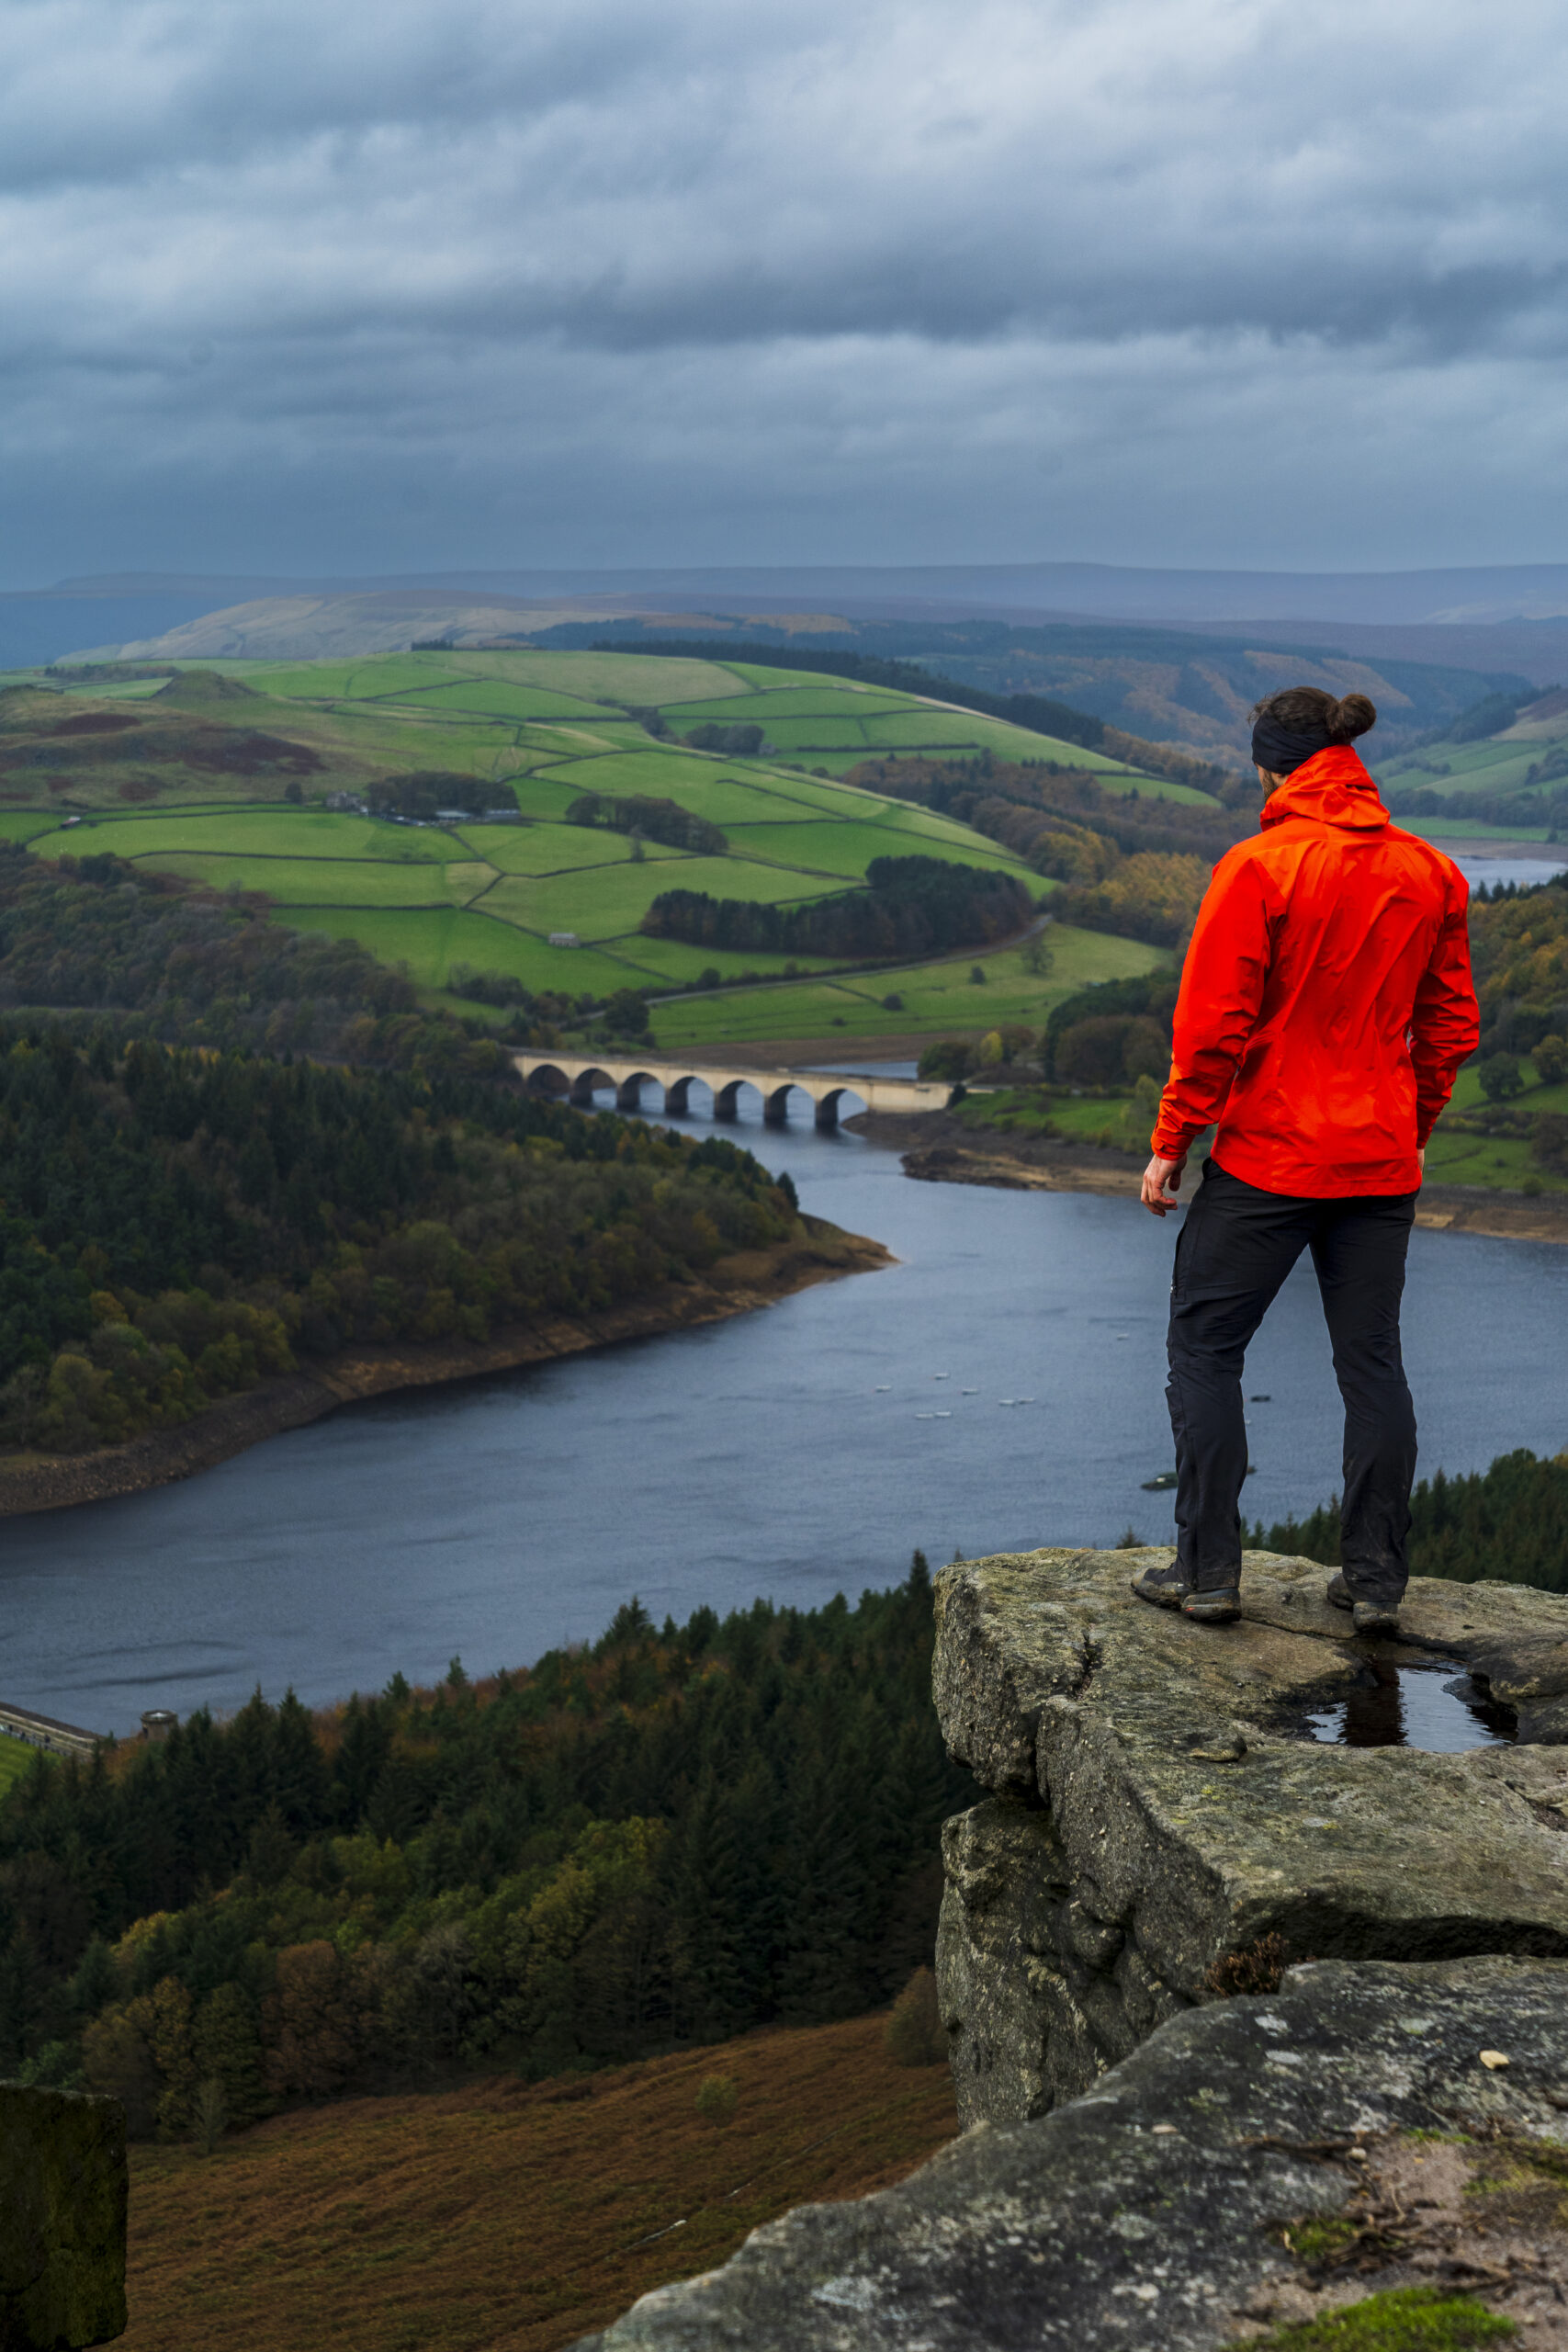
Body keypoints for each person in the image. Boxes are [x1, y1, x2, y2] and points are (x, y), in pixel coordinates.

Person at [1132, 686, 1480, 1635]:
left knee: (1205, 1350)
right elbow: (1450, 1028)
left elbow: (1212, 1028)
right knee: (1372, 1365)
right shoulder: (1431, 871)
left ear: (1267, 767)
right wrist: (1410, 1122)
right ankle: (1374, 1582)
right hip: (1379, 1161)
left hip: (1269, 1161)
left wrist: (1171, 1143)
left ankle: (1207, 1573)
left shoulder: (1257, 867)